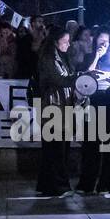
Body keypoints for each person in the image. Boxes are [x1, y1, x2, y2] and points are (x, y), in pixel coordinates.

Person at [76, 28, 110, 194]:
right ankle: (87, 183)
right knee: (91, 147)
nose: (104, 45)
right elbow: (85, 76)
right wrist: (97, 55)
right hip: (94, 104)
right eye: (101, 41)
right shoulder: (90, 57)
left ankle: (107, 183)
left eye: (107, 42)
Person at [34, 26, 75, 196]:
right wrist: (78, 77)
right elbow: (59, 79)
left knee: (54, 149)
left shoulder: (61, 58)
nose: (68, 45)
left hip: (61, 106)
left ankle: (46, 184)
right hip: (53, 107)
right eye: (65, 41)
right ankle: (60, 186)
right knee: (57, 149)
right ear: (56, 42)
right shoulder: (49, 58)